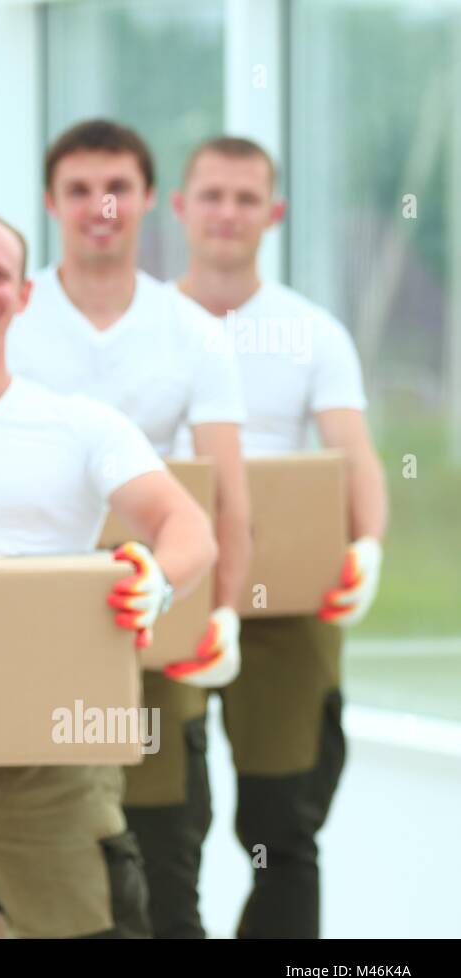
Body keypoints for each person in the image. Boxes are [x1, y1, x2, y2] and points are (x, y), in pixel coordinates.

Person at [0, 206, 218, 938]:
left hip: (54, 761)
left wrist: (158, 580)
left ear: (24, 294)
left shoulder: (79, 423)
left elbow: (188, 527)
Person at [4, 119, 252, 938]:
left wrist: (222, 610)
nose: (98, 206)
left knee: (164, 846)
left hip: (155, 602)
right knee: (28, 845)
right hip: (31, 616)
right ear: (51, 201)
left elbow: (223, 490)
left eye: (116, 187)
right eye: (78, 189)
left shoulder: (193, 331)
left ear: (148, 198)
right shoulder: (9, 315)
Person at [171, 136, 387, 937]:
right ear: (181, 207)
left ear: (275, 213)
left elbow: (355, 455)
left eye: (247, 198)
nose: (228, 212)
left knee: (283, 828)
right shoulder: (149, 323)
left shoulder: (311, 332)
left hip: (286, 602)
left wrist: (368, 546)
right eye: (213, 195)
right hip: (178, 592)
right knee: (160, 825)